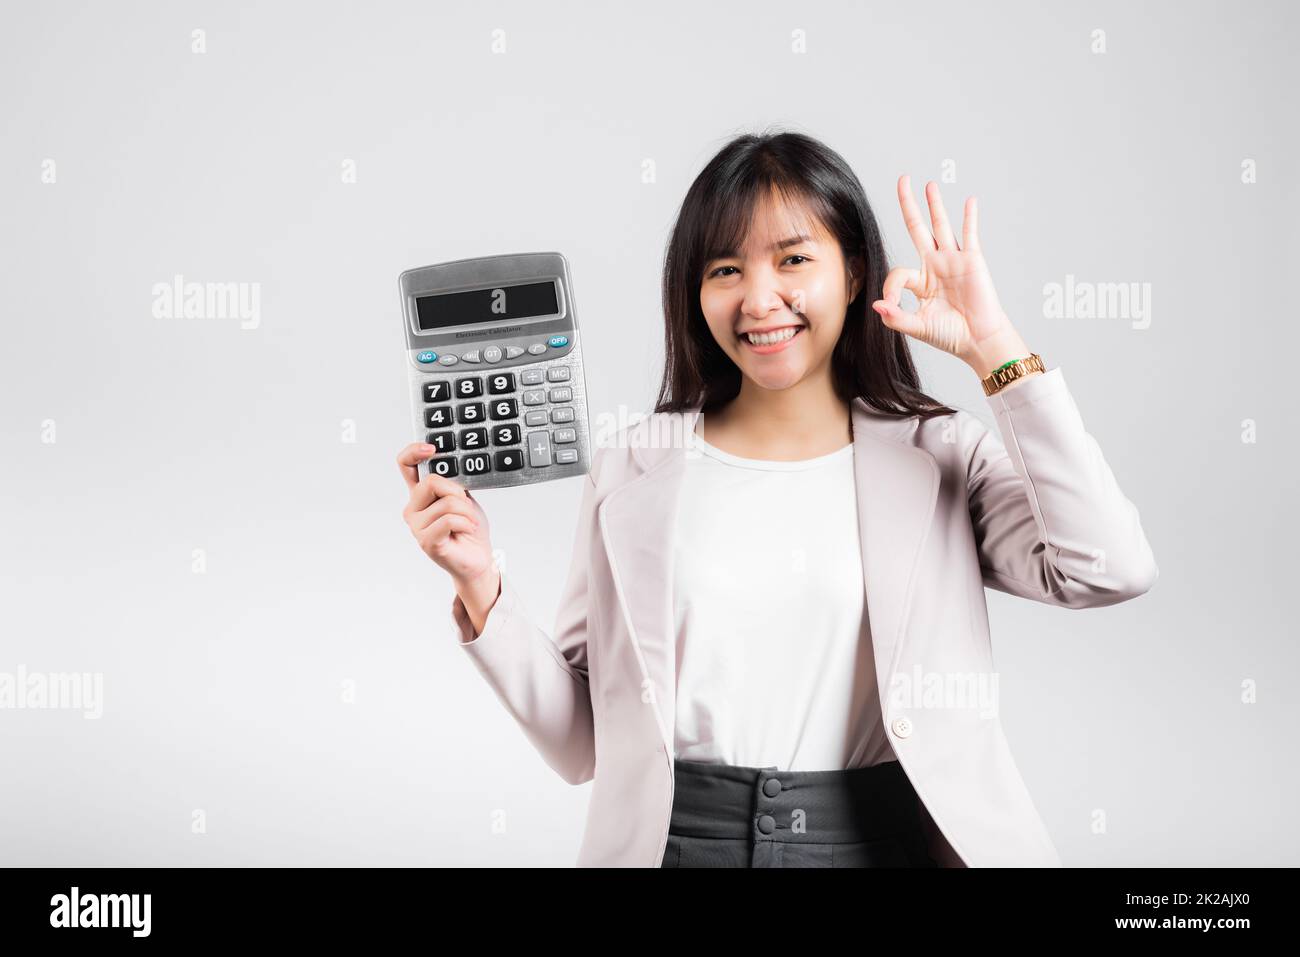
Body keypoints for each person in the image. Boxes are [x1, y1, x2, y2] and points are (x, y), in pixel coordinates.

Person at [395, 131, 1158, 867]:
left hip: (881, 841)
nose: (760, 300)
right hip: (675, 844)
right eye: (725, 270)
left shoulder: (940, 452)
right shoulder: (633, 463)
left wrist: (992, 342)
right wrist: (481, 584)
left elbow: (1107, 566)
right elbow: (582, 744)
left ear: (854, 272)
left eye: (793, 259)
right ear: (693, 292)